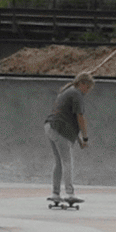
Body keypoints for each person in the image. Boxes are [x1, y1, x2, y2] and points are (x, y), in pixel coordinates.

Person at [43, 72, 93, 204]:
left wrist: (79, 140)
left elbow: (69, 119)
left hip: (51, 126)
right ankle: (70, 194)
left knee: (59, 162)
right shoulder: (76, 94)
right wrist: (85, 137)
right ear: (81, 83)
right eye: (87, 87)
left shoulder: (68, 91)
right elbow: (80, 118)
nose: (87, 91)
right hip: (59, 128)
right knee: (67, 161)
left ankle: (55, 193)